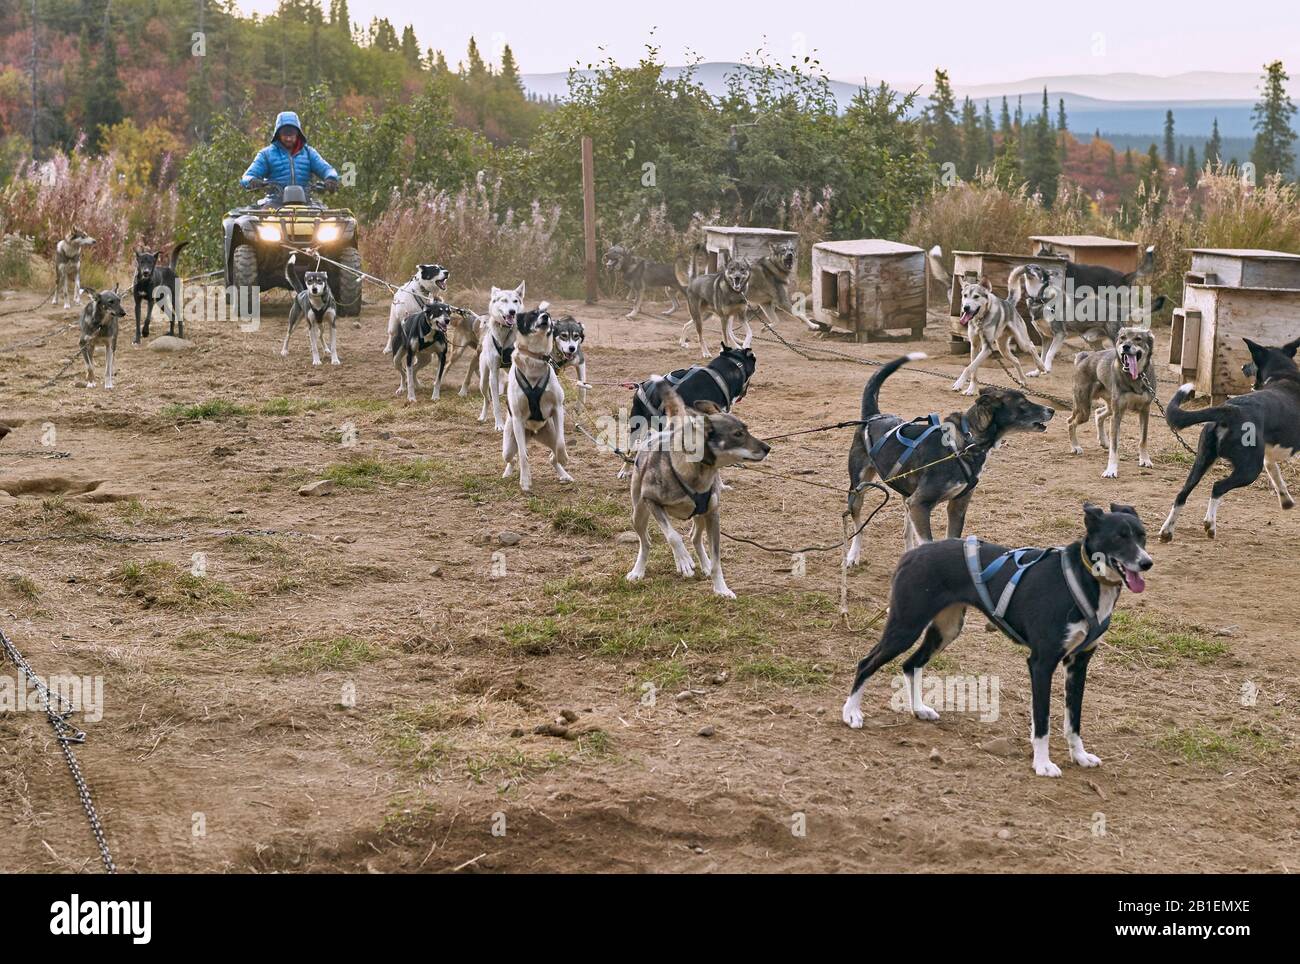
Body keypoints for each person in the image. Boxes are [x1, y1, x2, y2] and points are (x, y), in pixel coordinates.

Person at [240, 111, 339, 203]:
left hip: (306, 203)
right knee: (258, 221)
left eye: (291, 133)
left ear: (298, 134)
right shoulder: (266, 154)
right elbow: (247, 176)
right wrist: (252, 181)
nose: (288, 138)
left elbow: (327, 169)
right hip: (273, 203)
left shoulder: (309, 153)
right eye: (284, 133)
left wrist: (331, 178)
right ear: (278, 134)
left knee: (327, 221)